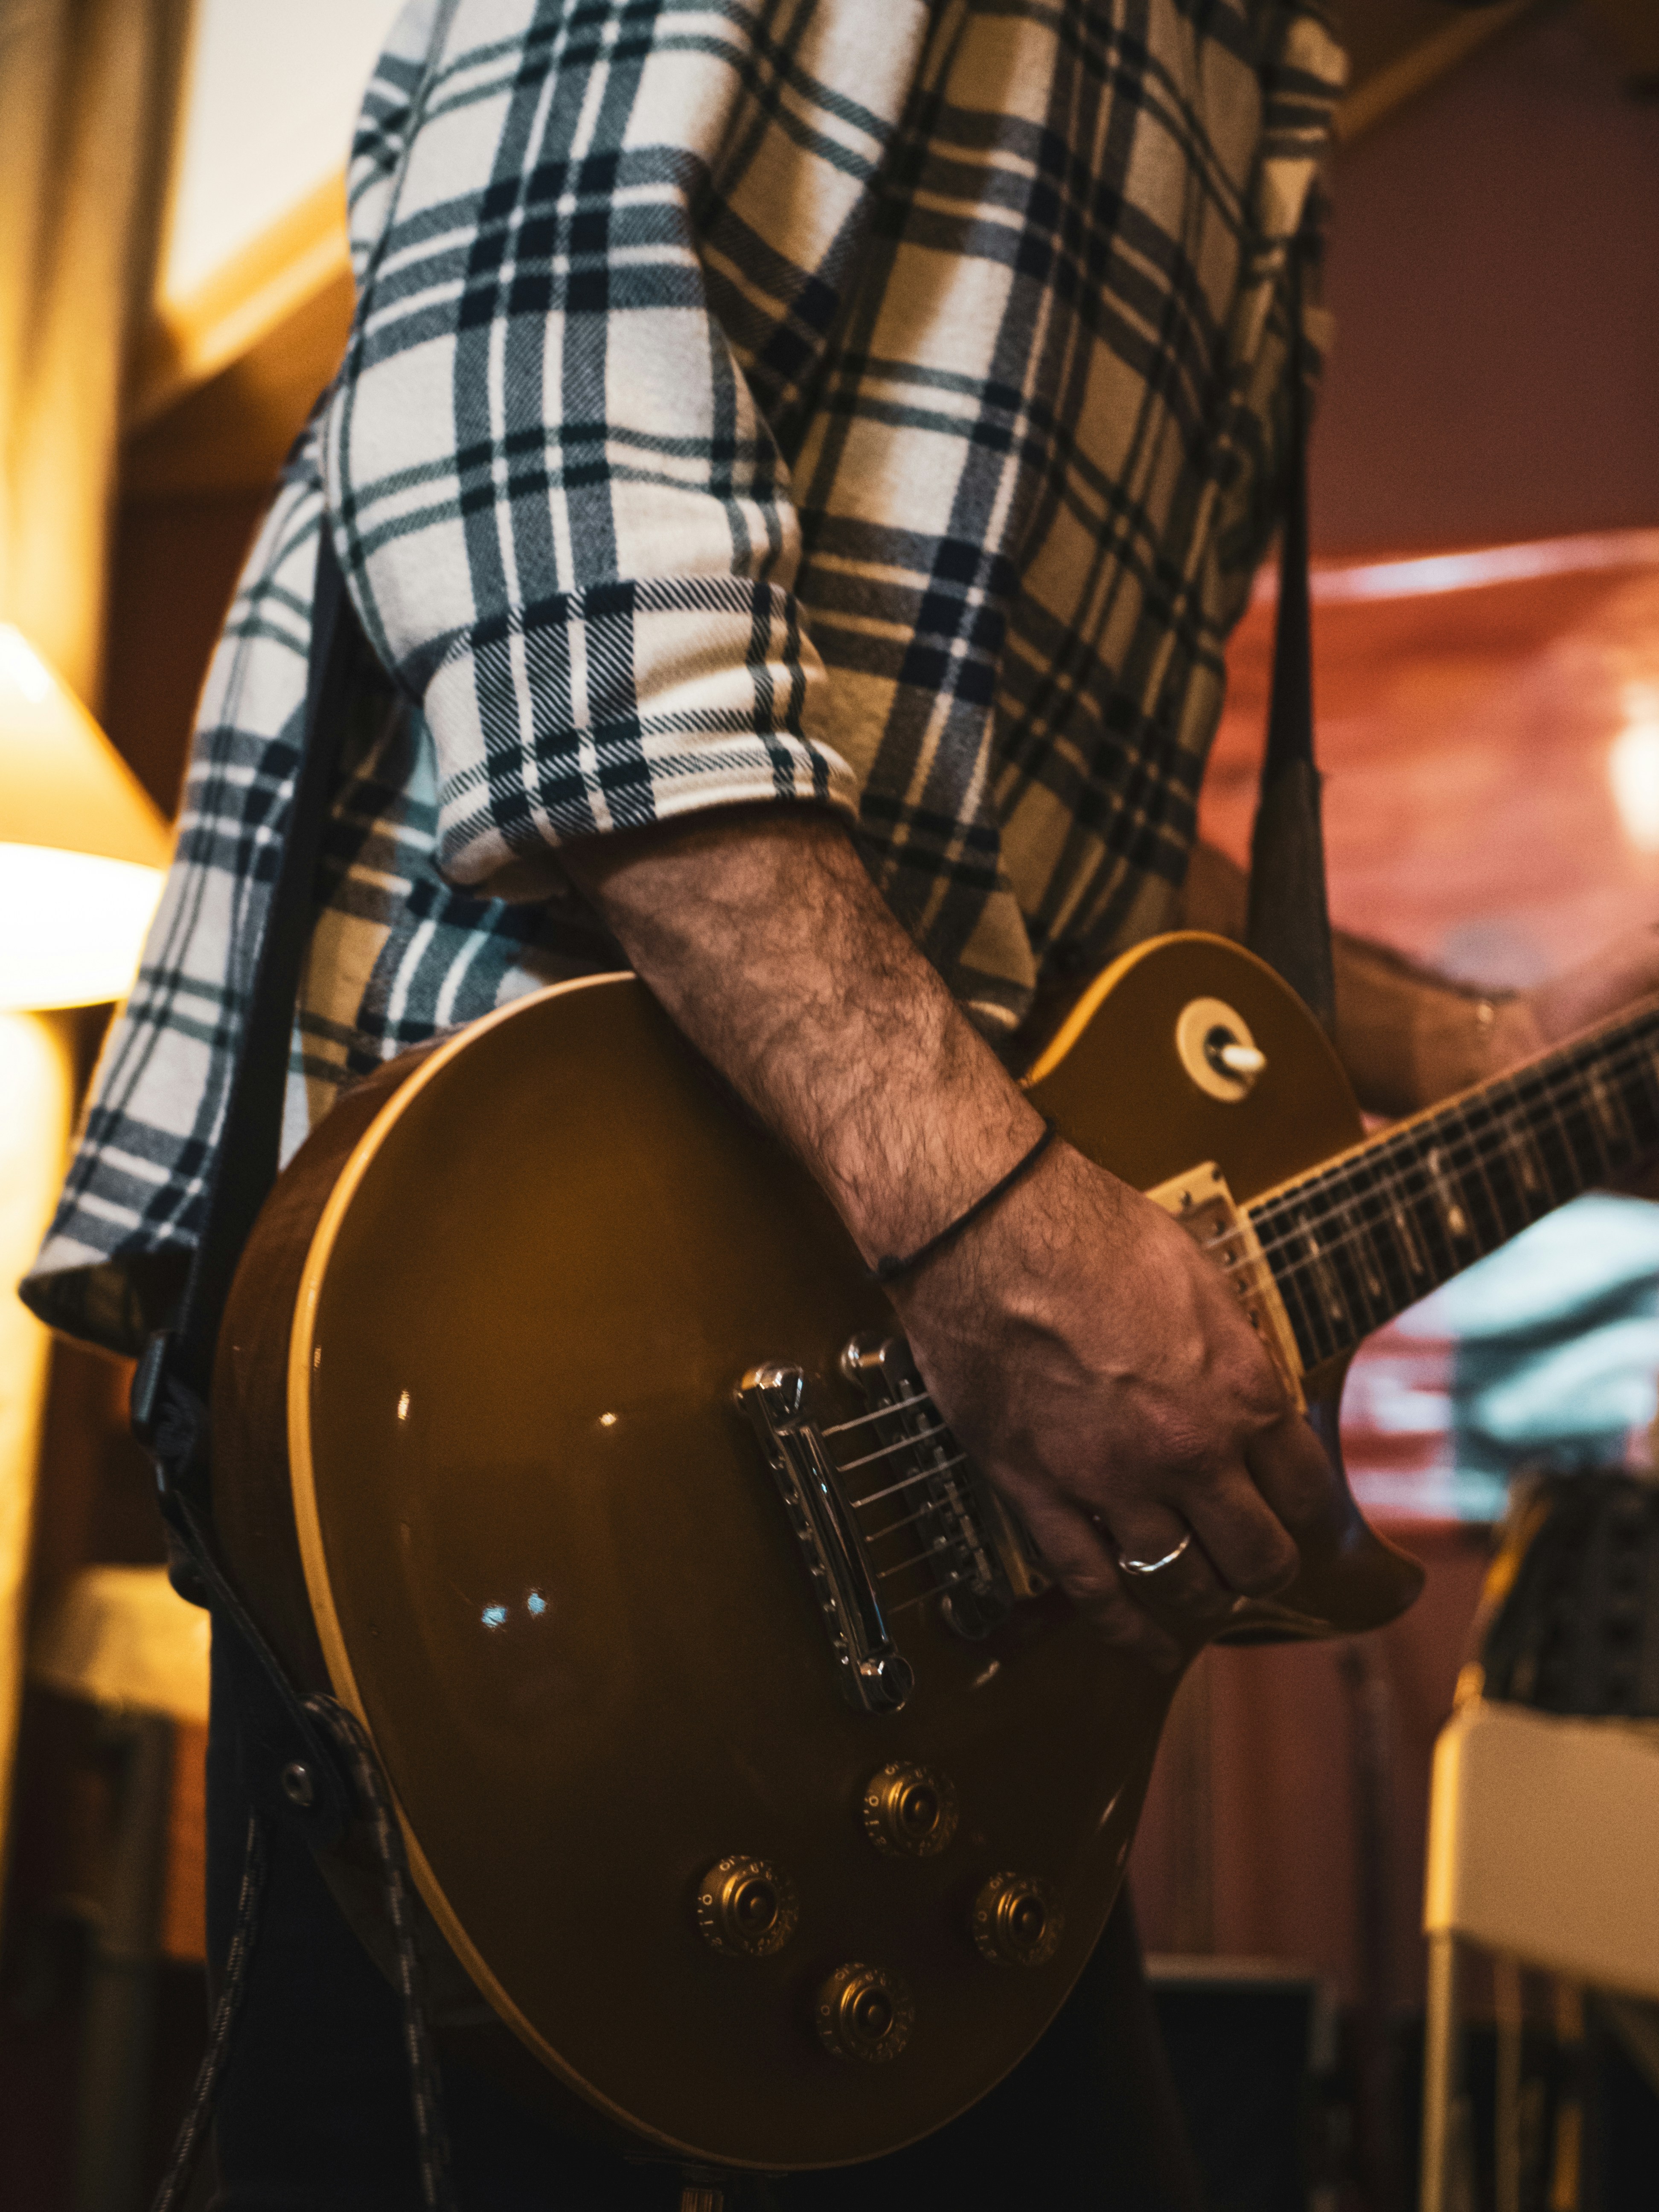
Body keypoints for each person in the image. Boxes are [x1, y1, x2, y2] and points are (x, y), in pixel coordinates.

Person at [22, 2, 1659, 2204]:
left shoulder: (1257, 78)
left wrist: (1490, 1057)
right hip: (527, 1361)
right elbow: (514, 415)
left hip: (891, 1505)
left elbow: (975, 828)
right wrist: (980, 1211)